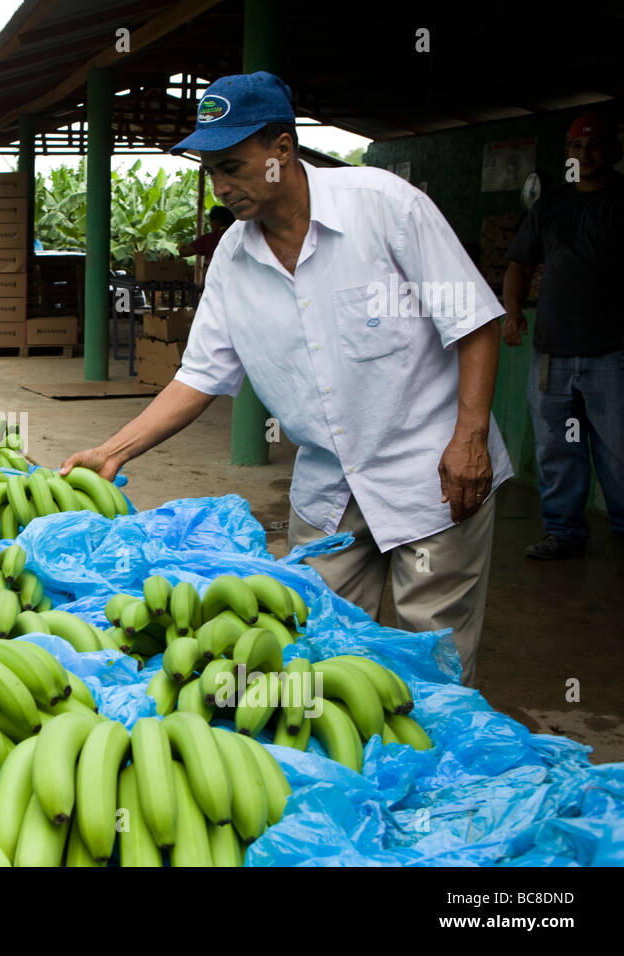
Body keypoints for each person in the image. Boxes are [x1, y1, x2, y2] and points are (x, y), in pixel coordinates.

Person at [61, 71, 513, 686]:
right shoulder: (232, 258)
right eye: (211, 171)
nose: (221, 186)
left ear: (282, 148)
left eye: (234, 166)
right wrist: (111, 453)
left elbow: (475, 322)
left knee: (431, 662)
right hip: (329, 491)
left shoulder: (385, 207)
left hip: (430, 477)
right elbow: (199, 377)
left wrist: (470, 439)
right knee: (319, 653)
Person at [501, 112, 624, 559]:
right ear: (567, 153)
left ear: (612, 150)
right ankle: (564, 531)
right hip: (552, 354)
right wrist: (511, 314)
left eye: (593, 146)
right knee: (558, 448)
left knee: (618, 452)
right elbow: (519, 263)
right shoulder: (550, 205)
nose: (584, 154)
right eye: (576, 147)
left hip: (612, 352)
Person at [178, 204, 235, 272]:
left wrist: (180, 246)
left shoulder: (209, 239)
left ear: (216, 222)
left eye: (211, 221)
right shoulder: (239, 236)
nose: (210, 224)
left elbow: (184, 252)